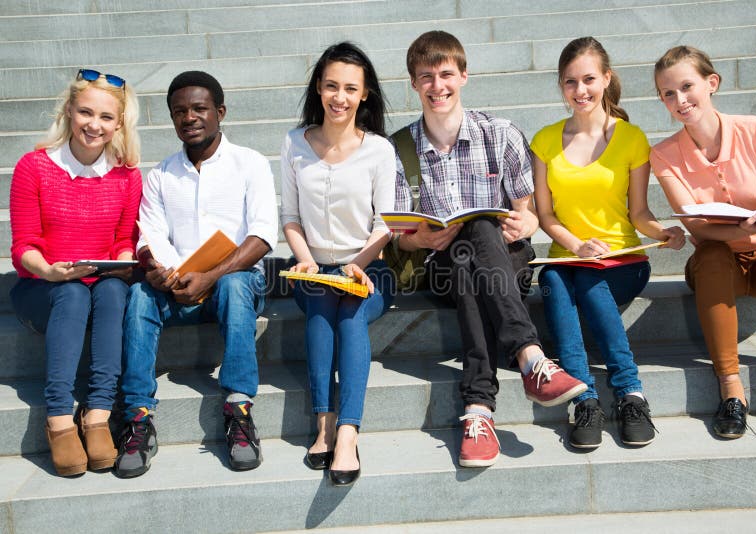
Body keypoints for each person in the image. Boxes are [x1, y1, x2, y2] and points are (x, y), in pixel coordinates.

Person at [393, 31, 587, 468]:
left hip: (506, 261)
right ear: (413, 84)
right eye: (426, 77)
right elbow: (400, 235)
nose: (437, 86)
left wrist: (528, 222)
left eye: (446, 74)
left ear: (463, 75)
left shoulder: (500, 134)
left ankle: (478, 410)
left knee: (480, 229)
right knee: (463, 253)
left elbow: (530, 214)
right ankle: (531, 359)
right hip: (440, 268)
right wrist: (420, 238)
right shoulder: (399, 149)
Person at [115, 71, 278, 477]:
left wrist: (210, 277)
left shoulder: (250, 164)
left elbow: (261, 237)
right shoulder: (160, 175)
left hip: (233, 287)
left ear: (220, 112)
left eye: (199, 108)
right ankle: (137, 416)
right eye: (179, 111)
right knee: (138, 296)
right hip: (179, 288)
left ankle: (238, 407)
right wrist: (158, 271)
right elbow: (149, 236)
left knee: (236, 282)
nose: (189, 117)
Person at [531, 37, 685, 449]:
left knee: (592, 285)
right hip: (569, 259)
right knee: (555, 278)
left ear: (606, 79)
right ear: (561, 86)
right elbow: (545, 217)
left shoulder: (632, 138)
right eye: (570, 82)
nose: (580, 91)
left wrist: (663, 234)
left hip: (623, 261)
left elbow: (639, 214)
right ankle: (585, 399)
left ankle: (630, 391)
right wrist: (577, 246)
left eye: (588, 79)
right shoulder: (544, 141)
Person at [650, 45, 756, 438]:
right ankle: (731, 391)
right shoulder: (663, 155)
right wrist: (745, 230)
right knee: (714, 254)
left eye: (687, 86)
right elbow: (696, 227)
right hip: (718, 268)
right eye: (668, 93)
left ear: (711, 83)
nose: (680, 100)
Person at [9, 69, 142, 476]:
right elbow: (23, 246)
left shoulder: (126, 175)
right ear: (69, 111)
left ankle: (99, 413)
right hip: (42, 288)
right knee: (72, 293)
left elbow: (123, 239)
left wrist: (121, 261)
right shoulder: (34, 167)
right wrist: (49, 271)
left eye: (105, 117)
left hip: (97, 284)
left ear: (118, 123)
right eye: (85, 112)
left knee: (113, 292)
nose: (94, 125)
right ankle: (60, 418)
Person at [281, 42, 396, 486]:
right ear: (318, 88)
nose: (340, 97)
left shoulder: (379, 151)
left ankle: (346, 433)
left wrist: (358, 264)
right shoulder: (294, 143)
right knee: (320, 308)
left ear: (364, 94)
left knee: (349, 315)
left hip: (368, 268)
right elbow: (290, 218)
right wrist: (307, 261)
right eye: (331, 86)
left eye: (350, 88)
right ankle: (322, 423)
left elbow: (385, 224)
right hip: (311, 268)